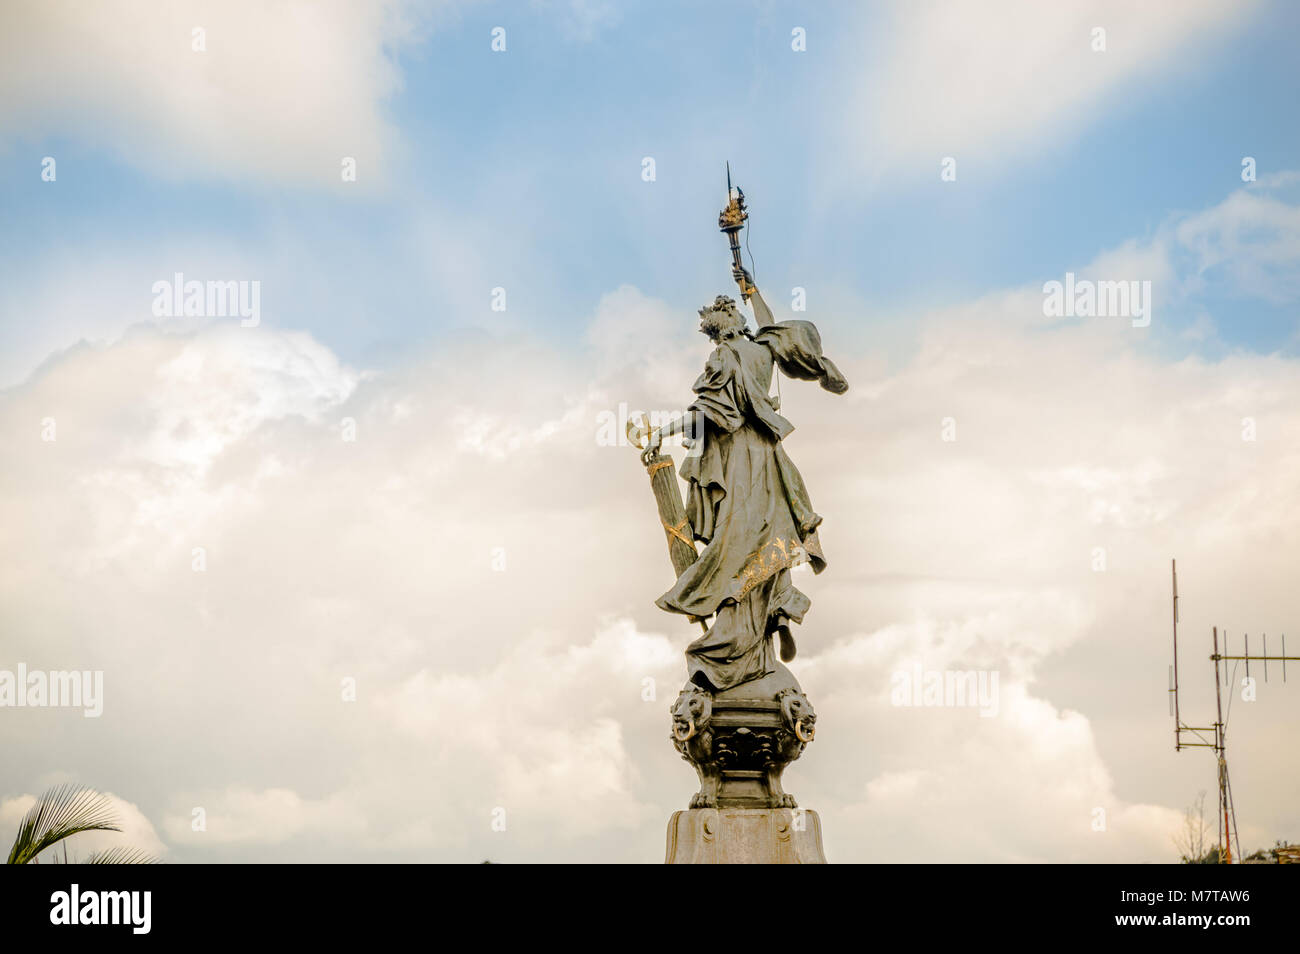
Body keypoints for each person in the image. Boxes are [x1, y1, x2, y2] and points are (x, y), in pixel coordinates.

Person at [641, 268, 848, 691]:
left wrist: (661, 433)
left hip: (739, 459)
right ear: (732, 323)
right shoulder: (761, 351)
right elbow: (769, 325)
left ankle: (750, 628)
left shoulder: (723, 358)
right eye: (733, 311)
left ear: (714, 333)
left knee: (733, 544)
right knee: (770, 536)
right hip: (770, 458)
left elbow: (707, 413)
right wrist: (751, 289)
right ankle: (778, 610)